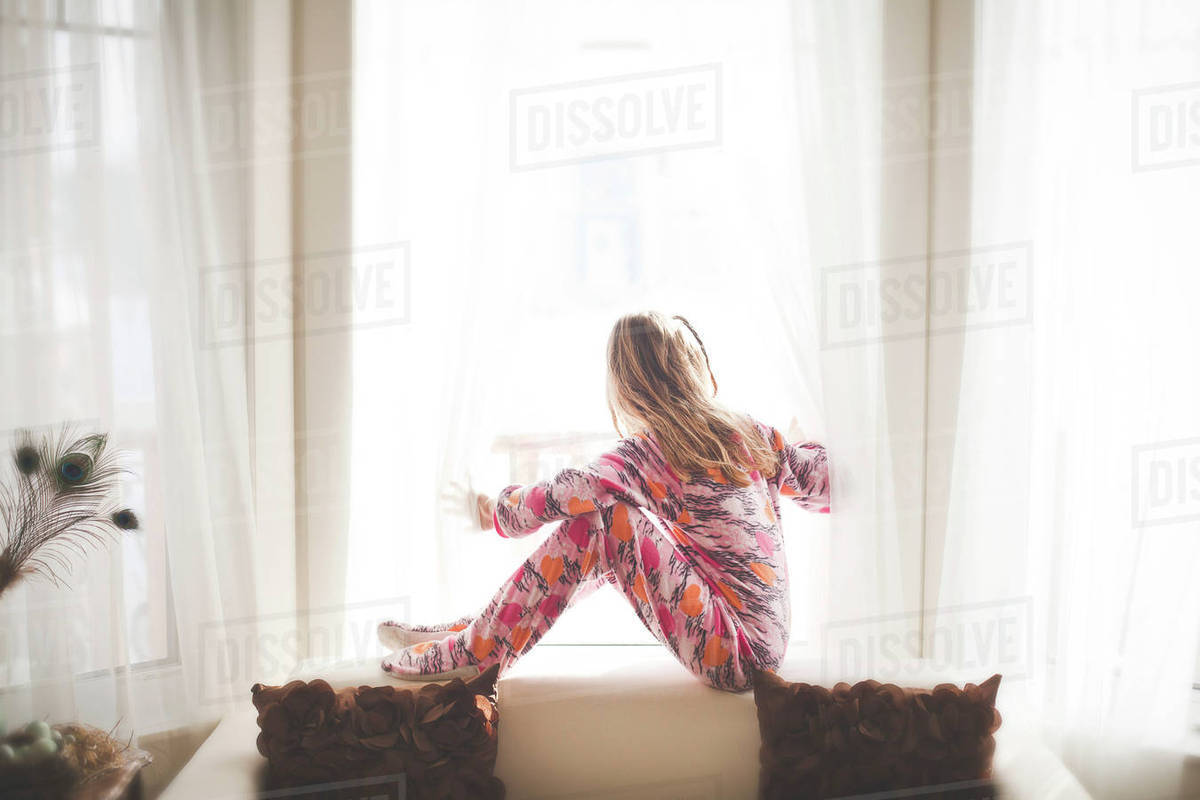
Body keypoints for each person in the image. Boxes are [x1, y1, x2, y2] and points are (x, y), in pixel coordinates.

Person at [379, 311, 829, 692]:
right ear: (698, 370)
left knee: (602, 522)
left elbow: (564, 492)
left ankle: (480, 648)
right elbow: (820, 479)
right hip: (762, 642)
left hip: (733, 654)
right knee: (606, 528)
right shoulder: (753, 435)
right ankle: (485, 625)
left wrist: (499, 512)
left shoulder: (650, 454)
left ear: (627, 390)